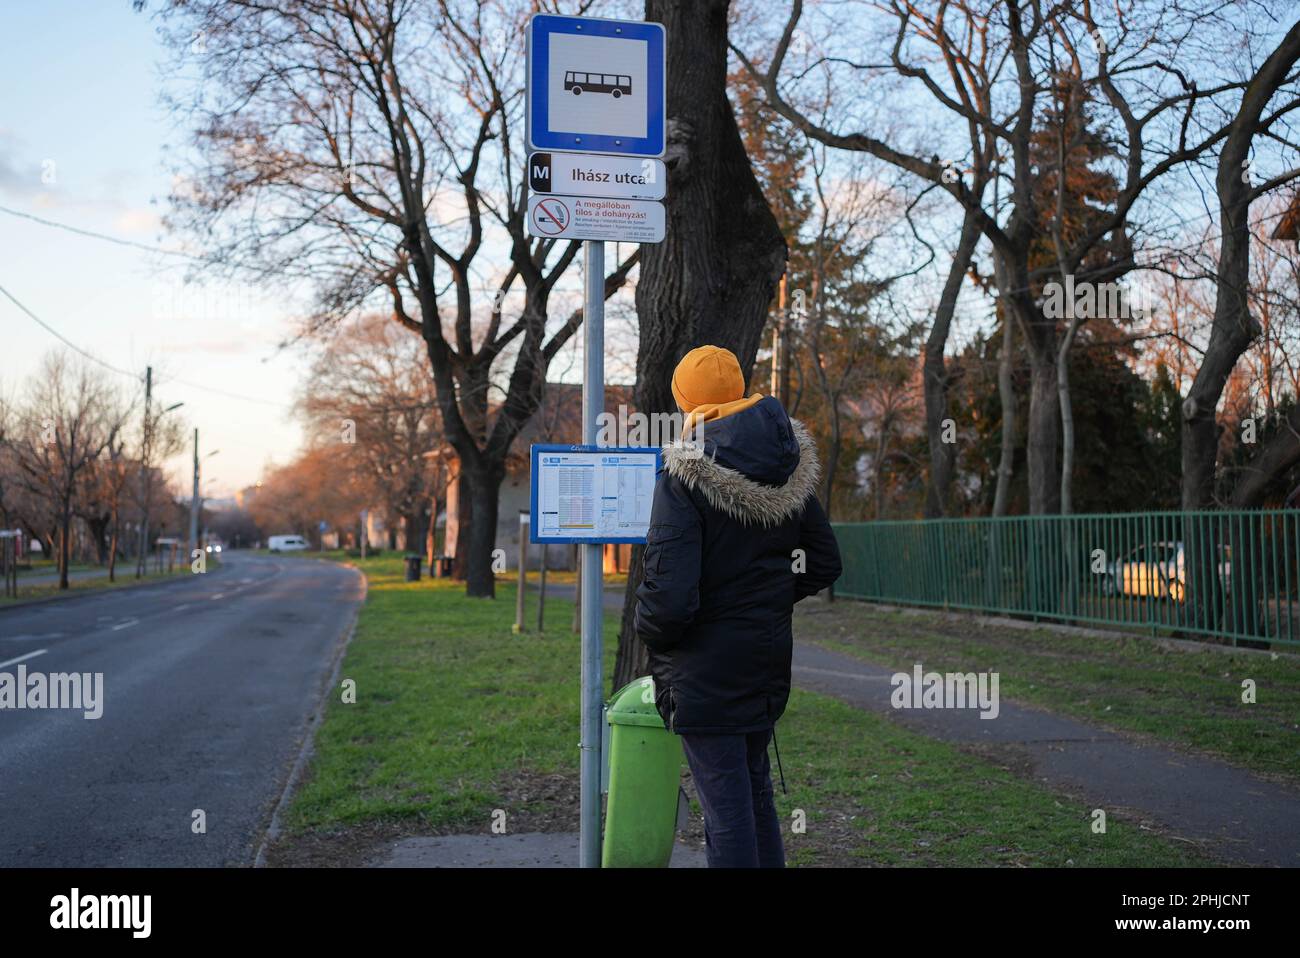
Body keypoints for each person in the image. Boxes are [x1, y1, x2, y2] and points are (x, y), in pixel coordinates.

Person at [634, 344, 842, 868]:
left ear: (685, 402)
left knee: (726, 811)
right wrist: (768, 600)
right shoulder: (787, 465)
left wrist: (654, 634)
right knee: (754, 794)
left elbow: (669, 602)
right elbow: (823, 561)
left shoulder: (683, 478)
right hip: (767, 660)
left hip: (706, 671)